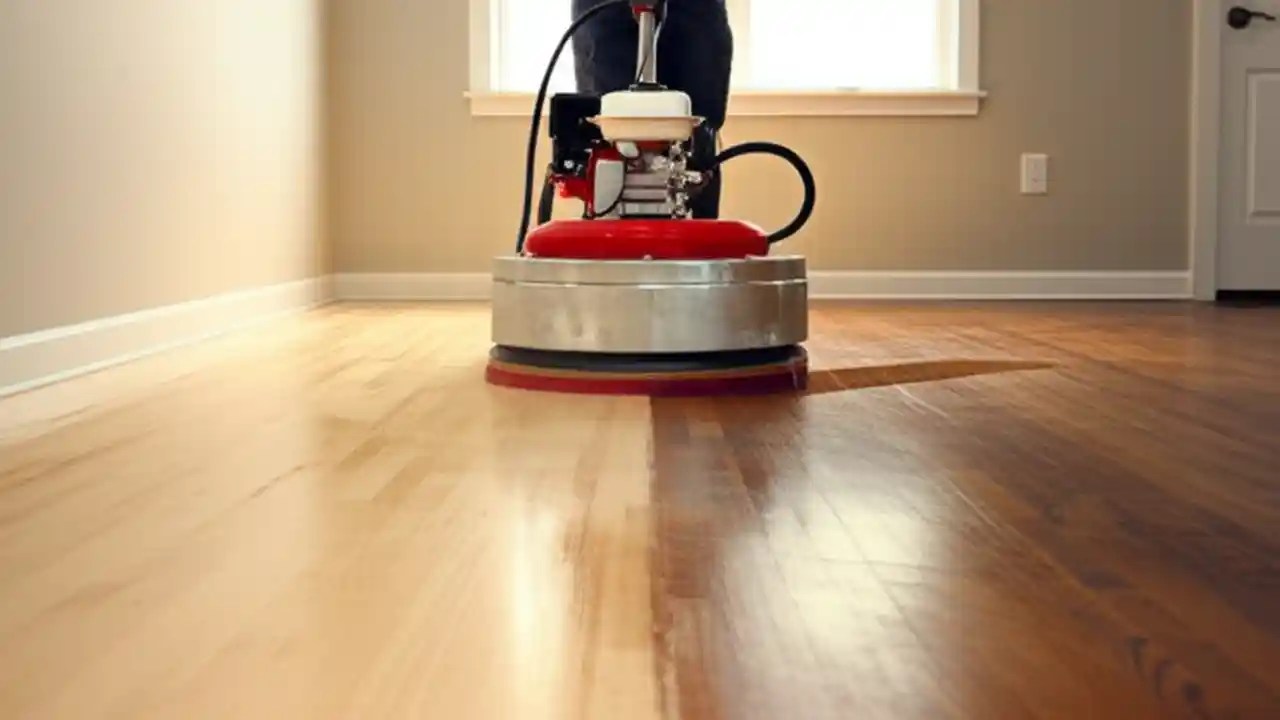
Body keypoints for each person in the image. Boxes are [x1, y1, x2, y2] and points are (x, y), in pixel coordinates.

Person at [571, 0, 733, 219]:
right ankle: (611, 240)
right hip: (606, 10)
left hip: (695, 9)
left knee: (696, 135)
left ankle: (693, 245)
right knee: (608, 132)